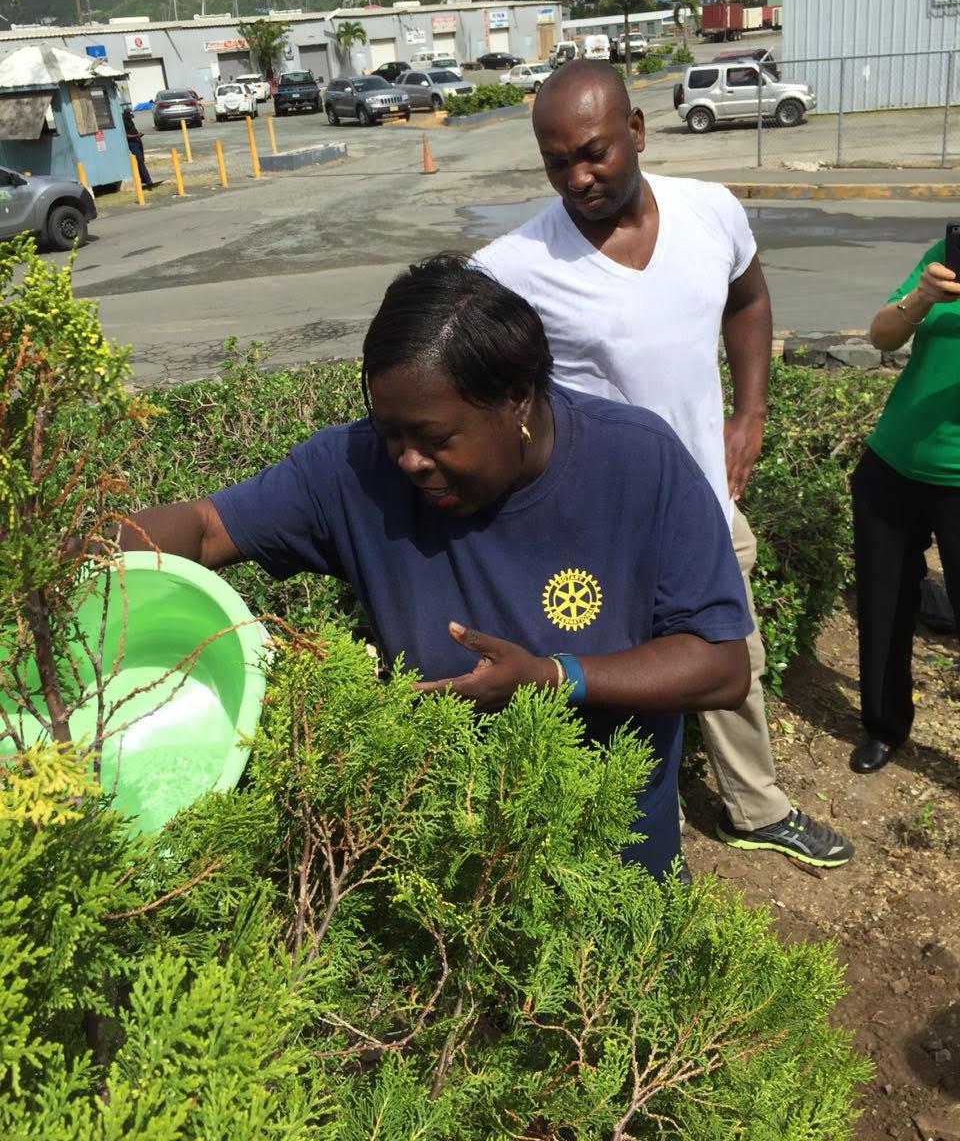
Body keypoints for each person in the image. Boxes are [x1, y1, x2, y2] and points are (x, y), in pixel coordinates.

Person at [120, 255, 752, 882]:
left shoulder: (636, 462)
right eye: (390, 431)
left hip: (610, 870)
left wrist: (551, 678)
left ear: (517, 400)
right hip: (430, 872)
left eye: (435, 438)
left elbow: (720, 666)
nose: (408, 462)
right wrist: (75, 559)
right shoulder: (352, 471)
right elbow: (204, 529)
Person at [473, 59, 854, 869]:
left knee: (730, 660)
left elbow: (747, 300)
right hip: (594, 531)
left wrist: (749, 413)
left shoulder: (709, 211)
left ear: (637, 131)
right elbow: (458, 363)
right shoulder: (514, 266)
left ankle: (756, 807)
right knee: (602, 683)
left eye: (593, 152)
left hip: (704, 509)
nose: (577, 177)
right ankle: (605, 840)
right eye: (556, 162)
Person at [849, 240, 960, 773]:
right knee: (884, 603)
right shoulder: (947, 252)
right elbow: (881, 336)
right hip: (892, 462)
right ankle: (883, 726)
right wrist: (920, 297)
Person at [122, 106, 158, 190]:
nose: (132, 116)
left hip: (137, 141)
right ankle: (148, 181)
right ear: (126, 115)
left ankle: (143, 179)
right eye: (130, 115)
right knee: (139, 161)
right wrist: (137, 135)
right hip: (132, 143)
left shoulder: (130, 121)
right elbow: (126, 136)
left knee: (142, 160)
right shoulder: (123, 123)